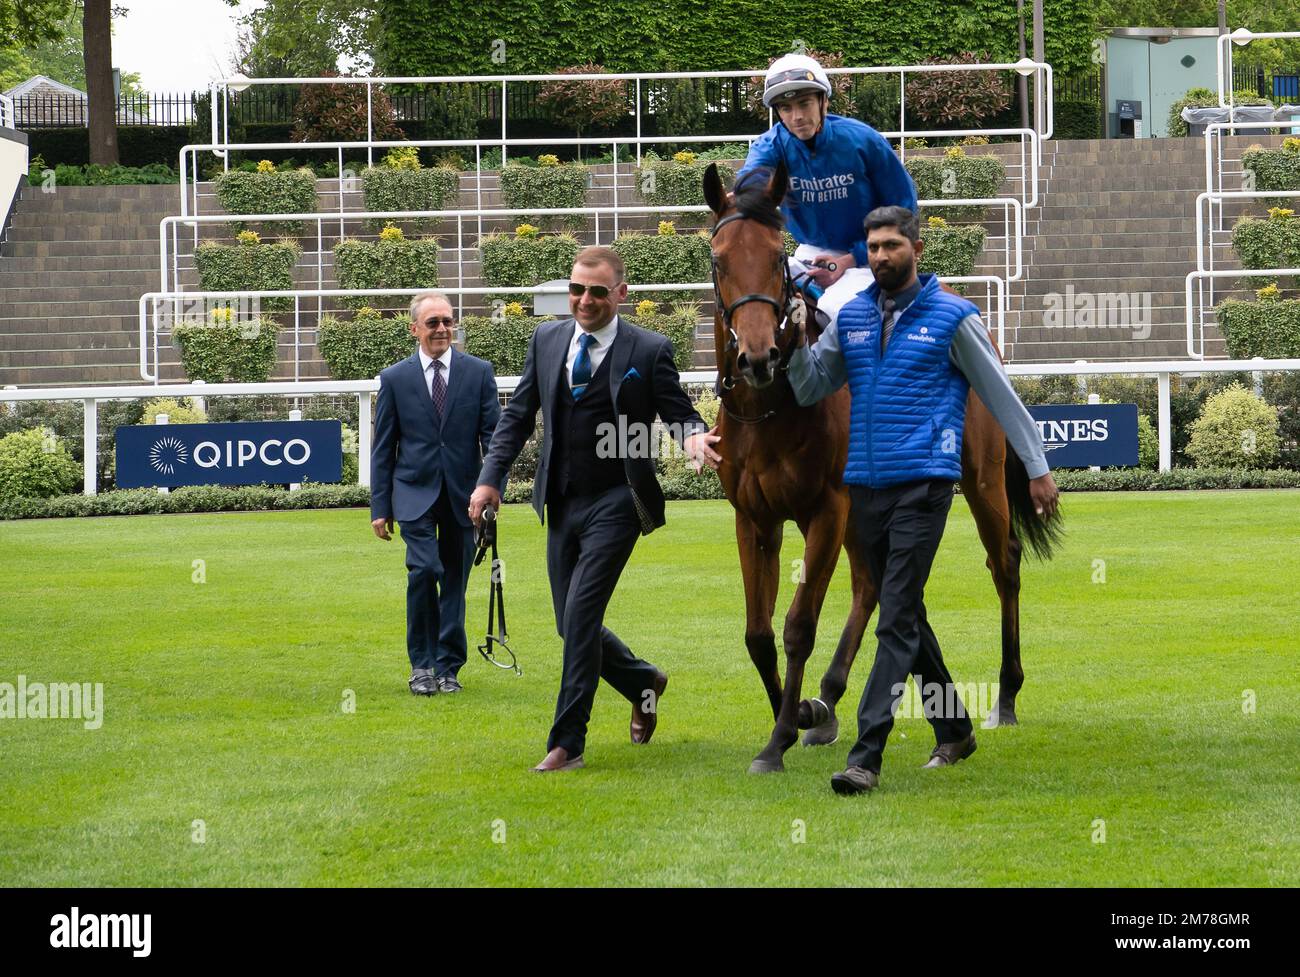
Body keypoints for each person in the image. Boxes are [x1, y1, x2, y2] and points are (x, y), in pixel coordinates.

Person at [786, 206, 1059, 795]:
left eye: (891, 245)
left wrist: (1035, 467)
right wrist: (788, 334)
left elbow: (1000, 394)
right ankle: (955, 728)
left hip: (925, 483)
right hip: (864, 484)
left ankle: (865, 754)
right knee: (905, 613)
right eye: (873, 247)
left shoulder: (955, 318)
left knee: (895, 618)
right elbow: (810, 385)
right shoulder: (850, 316)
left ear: (916, 248)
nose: (882, 255)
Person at [469, 246, 721, 772]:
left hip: (619, 501)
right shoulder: (546, 339)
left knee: (581, 616)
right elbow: (517, 417)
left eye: (598, 291)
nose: (584, 300)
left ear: (621, 294)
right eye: (577, 289)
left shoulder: (649, 350)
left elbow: (679, 414)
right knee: (569, 624)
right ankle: (642, 681)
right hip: (560, 500)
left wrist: (694, 439)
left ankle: (567, 743)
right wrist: (490, 480)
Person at [371, 291, 501, 696]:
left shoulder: (479, 373)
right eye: (433, 322)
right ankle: (422, 665)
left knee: (456, 583)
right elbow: (383, 447)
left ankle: (448, 668)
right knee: (425, 571)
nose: (442, 329)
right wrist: (380, 507)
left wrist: (492, 488)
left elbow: (494, 439)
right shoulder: (395, 379)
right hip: (413, 495)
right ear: (415, 329)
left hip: (465, 497)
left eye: (447, 321)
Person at [736, 52, 919, 324]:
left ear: (824, 101)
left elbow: (904, 208)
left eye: (804, 103)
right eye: (786, 109)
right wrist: (739, 199)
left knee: (837, 310)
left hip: (868, 254)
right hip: (809, 253)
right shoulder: (770, 145)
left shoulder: (864, 140)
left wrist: (851, 258)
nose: (797, 116)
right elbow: (751, 181)